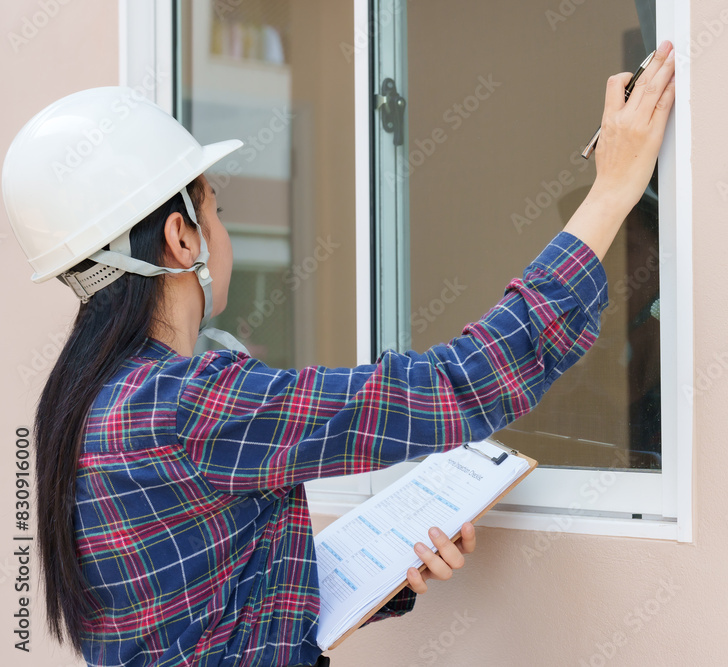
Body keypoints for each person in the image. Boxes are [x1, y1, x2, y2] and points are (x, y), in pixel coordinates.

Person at [1, 39, 675, 667]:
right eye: (218, 208)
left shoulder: (89, 402)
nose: (222, 229)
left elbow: (207, 616)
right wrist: (613, 189)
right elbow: (461, 384)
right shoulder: (188, 403)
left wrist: (386, 579)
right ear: (181, 237)